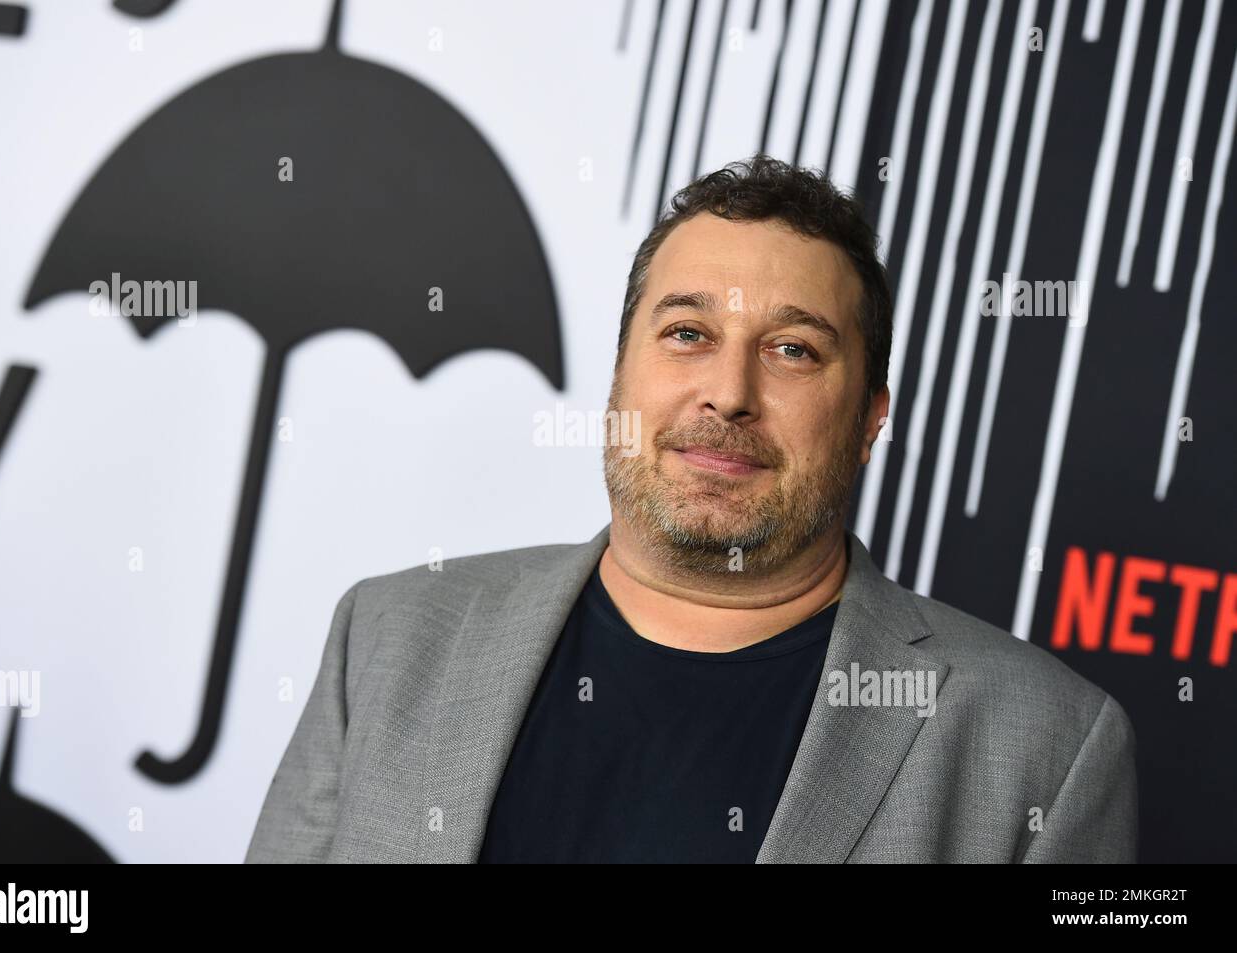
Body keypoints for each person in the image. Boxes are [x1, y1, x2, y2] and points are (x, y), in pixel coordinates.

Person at [245, 154, 1137, 863]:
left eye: (792, 349)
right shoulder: (389, 637)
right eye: (687, 334)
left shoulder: (1044, 748)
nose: (728, 393)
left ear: (870, 418)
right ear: (619, 375)